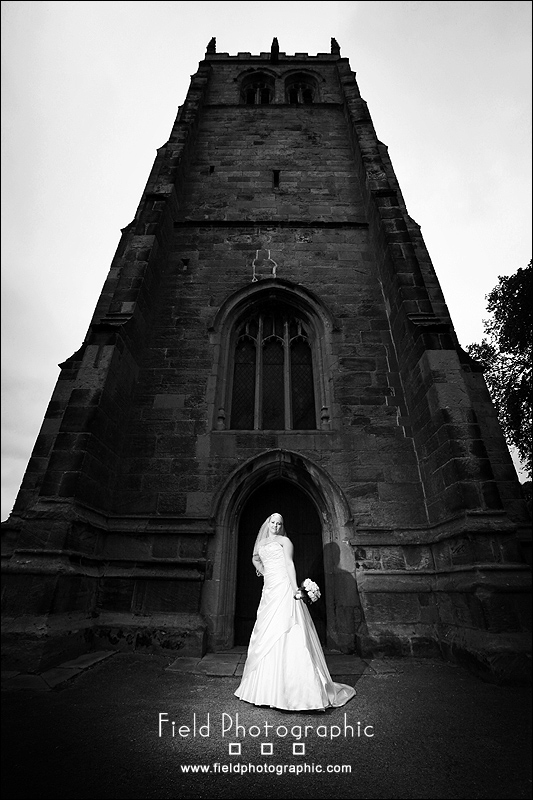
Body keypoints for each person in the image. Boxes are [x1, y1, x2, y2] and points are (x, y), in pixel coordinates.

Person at [234, 513, 356, 711]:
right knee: (266, 630)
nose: (275, 525)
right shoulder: (263, 542)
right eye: (273, 522)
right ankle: (265, 689)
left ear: (282, 525)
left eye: (279, 523)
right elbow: (255, 558)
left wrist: (294, 589)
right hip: (269, 588)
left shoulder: (285, 541)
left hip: (283, 585)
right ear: (268, 524)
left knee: (287, 627)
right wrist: (266, 573)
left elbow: (289, 565)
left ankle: (298, 692)